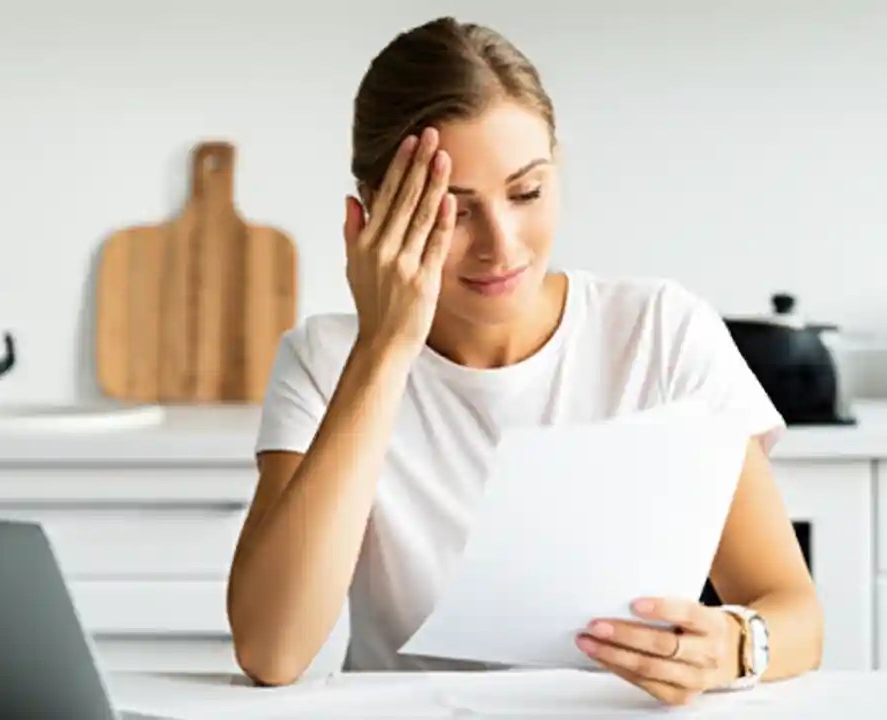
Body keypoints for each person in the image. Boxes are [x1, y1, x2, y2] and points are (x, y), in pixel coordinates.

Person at [226, 15, 823, 707]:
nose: (501, 245)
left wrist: (734, 645)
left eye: (527, 192)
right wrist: (386, 347)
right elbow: (273, 651)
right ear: (372, 218)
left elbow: (795, 613)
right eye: (454, 212)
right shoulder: (325, 360)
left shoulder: (660, 332)